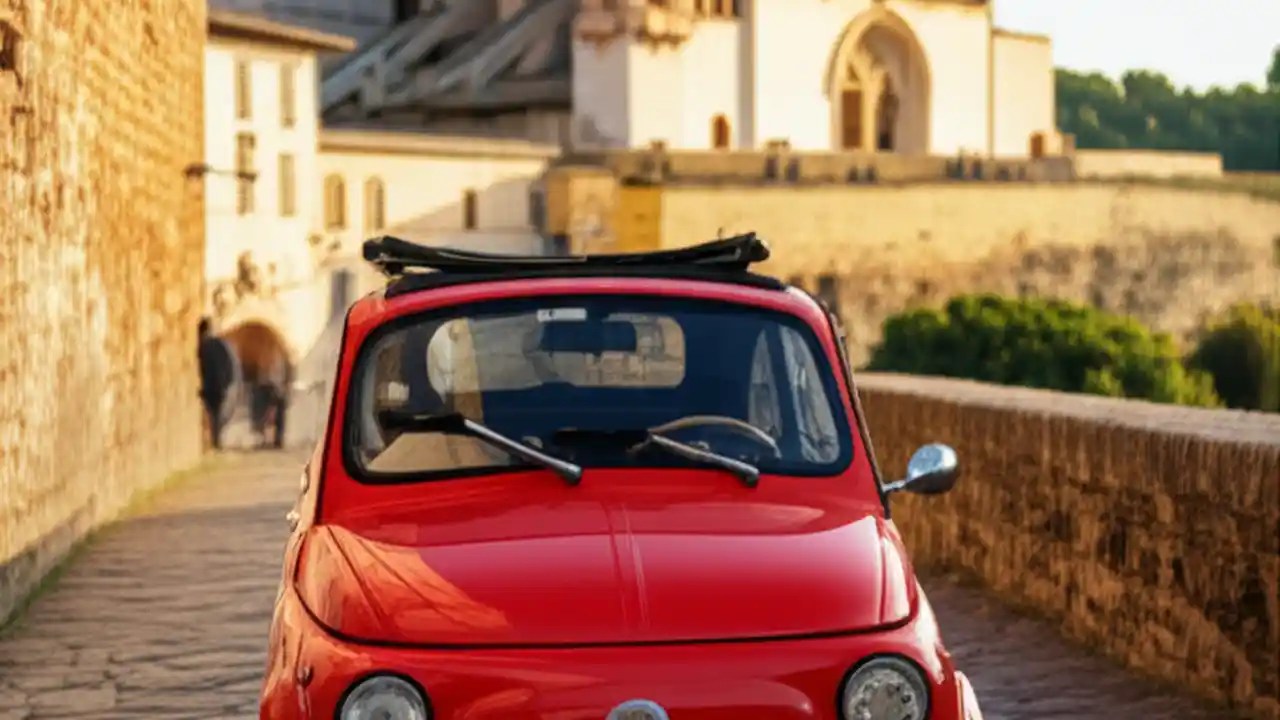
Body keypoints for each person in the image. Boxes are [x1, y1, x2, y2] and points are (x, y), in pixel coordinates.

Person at [197, 318, 235, 450]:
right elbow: (229, 364)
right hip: (218, 386)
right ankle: (214, 440)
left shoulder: (203, 347)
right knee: (215, 413)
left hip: (211, 386)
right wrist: (227, 382)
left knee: (213, 413)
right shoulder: (218, 345)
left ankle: (214, 440)